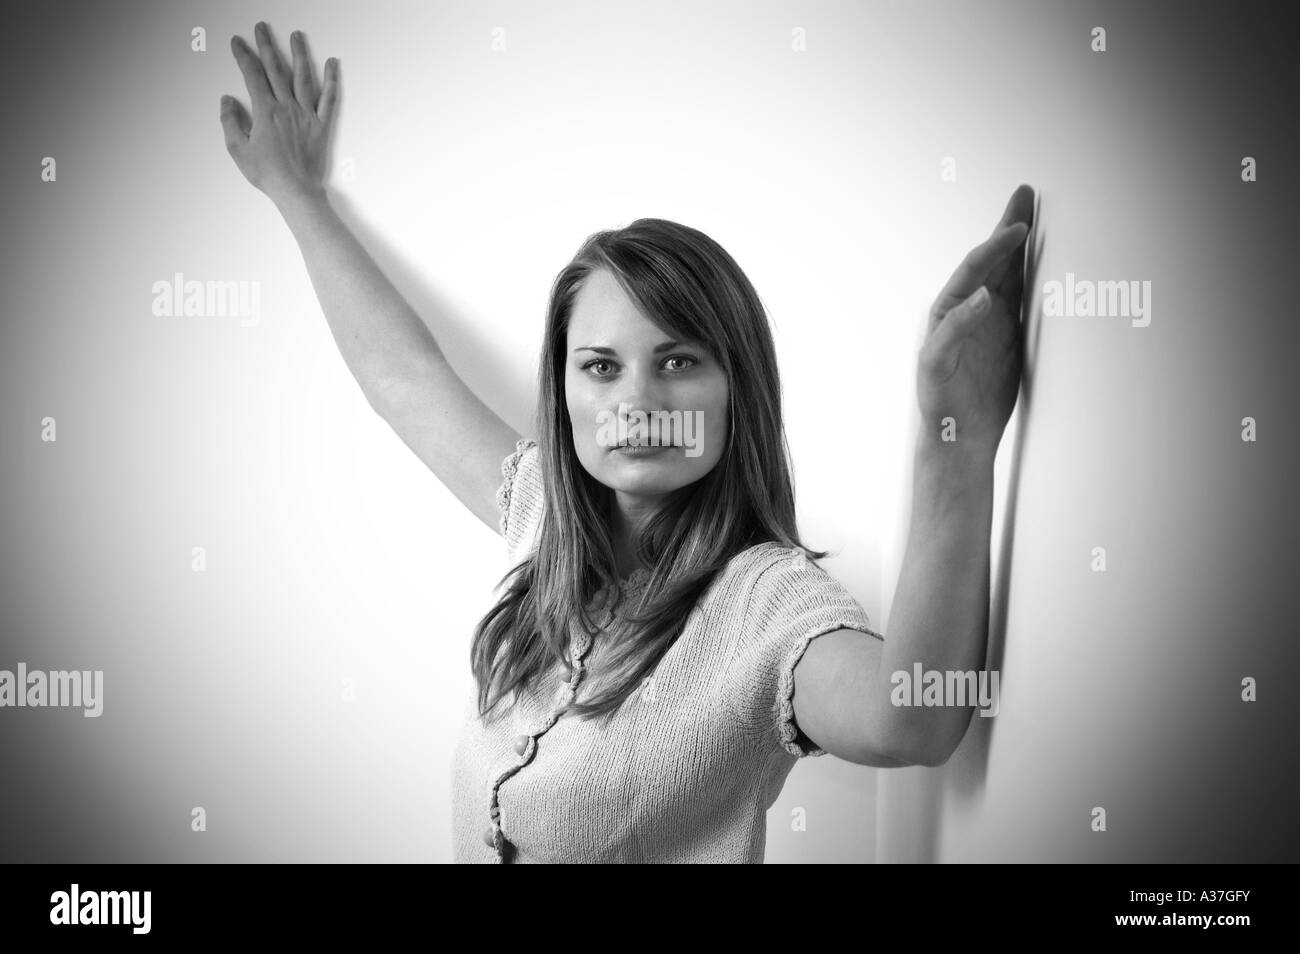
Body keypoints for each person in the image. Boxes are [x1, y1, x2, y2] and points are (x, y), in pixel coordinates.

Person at [221, 22, 1034, 863]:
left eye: (678, 361)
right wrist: (298, 195)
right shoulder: (541, 514)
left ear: (736, 389)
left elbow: (913, 718)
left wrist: (956, 434)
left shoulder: (766, 606)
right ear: (563, 391)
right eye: (601, 366)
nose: (637, 402)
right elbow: (402, 380)